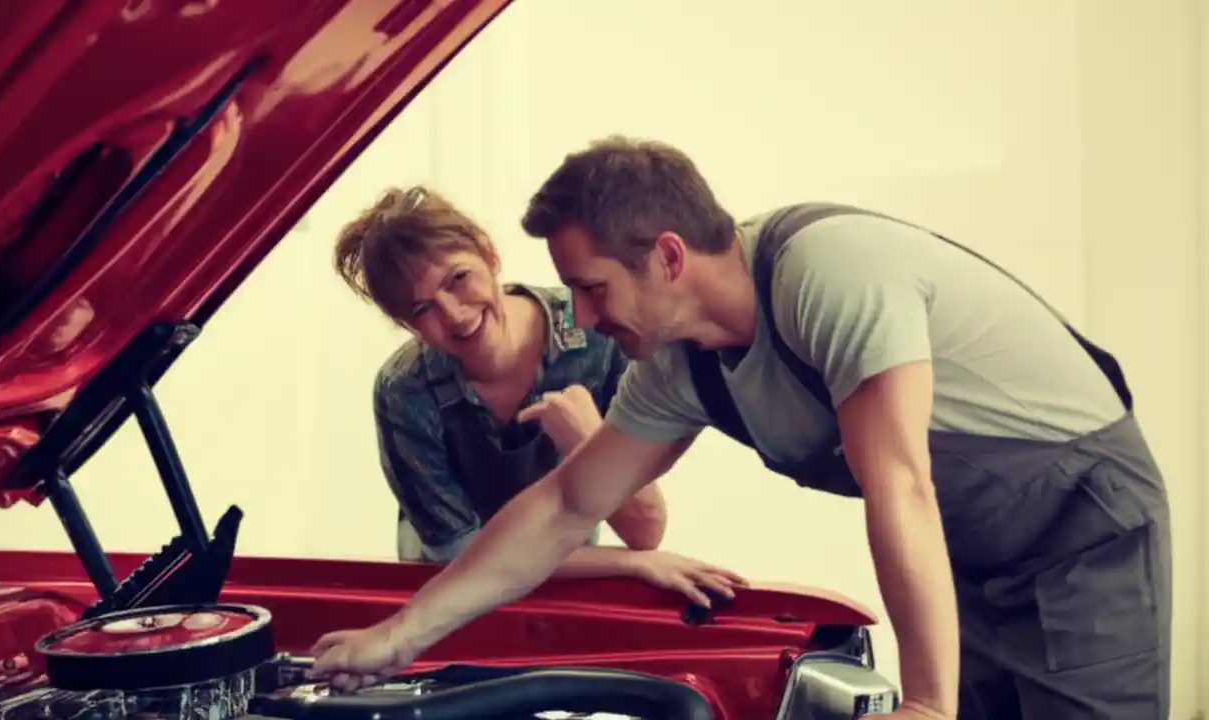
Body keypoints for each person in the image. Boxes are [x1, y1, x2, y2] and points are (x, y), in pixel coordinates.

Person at [312, 143, 1171, 720]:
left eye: (595, 287)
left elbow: (899, 483)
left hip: (1081, 533)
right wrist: (400, 635)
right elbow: (568, 503)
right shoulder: (680, 364)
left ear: (671, 257)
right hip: (972, 560)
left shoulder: (827, 275)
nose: (579, 313)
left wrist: (928, 704)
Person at [332, 184, 745, 597]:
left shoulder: (596, 335)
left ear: (489, 253)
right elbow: (459, 553)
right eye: (422, 309)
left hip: (560, 595)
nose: (454, 315)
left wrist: (586, 437)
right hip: (449, 603)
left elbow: (646, 529)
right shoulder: (404, 391)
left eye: (458, 279)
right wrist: (628, 565)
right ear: (407, 323)